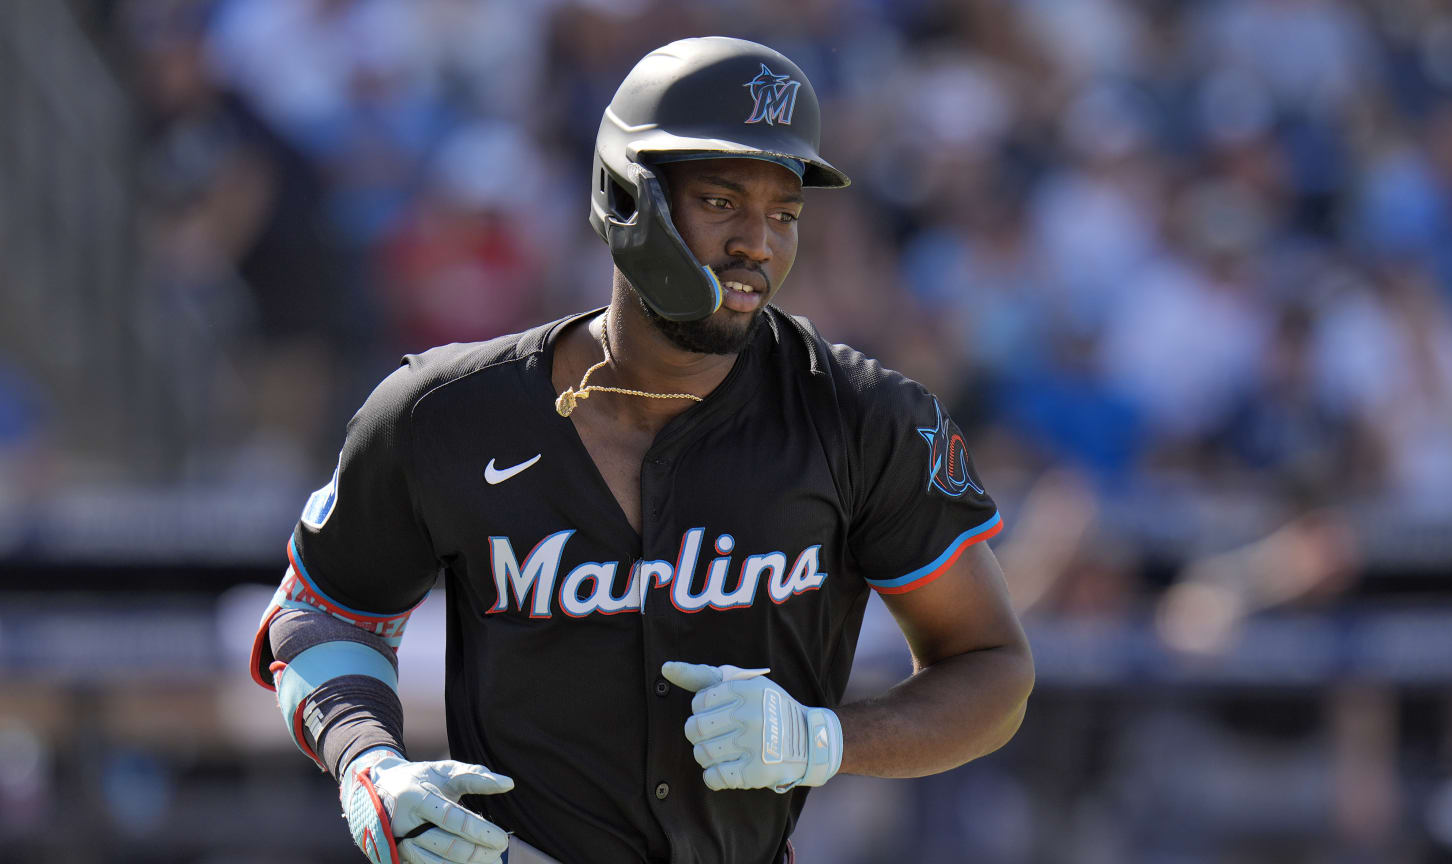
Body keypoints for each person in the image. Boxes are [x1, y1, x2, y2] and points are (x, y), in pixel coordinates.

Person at [249, 36, 1033, 864]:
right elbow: (322, 611)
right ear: (629, 196)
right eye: (724, 202)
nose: (759, 244)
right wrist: (367, 764)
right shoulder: (443, 413)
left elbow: (990, 670)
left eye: (786, 212)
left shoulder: (864, 417)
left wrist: (823, 740)